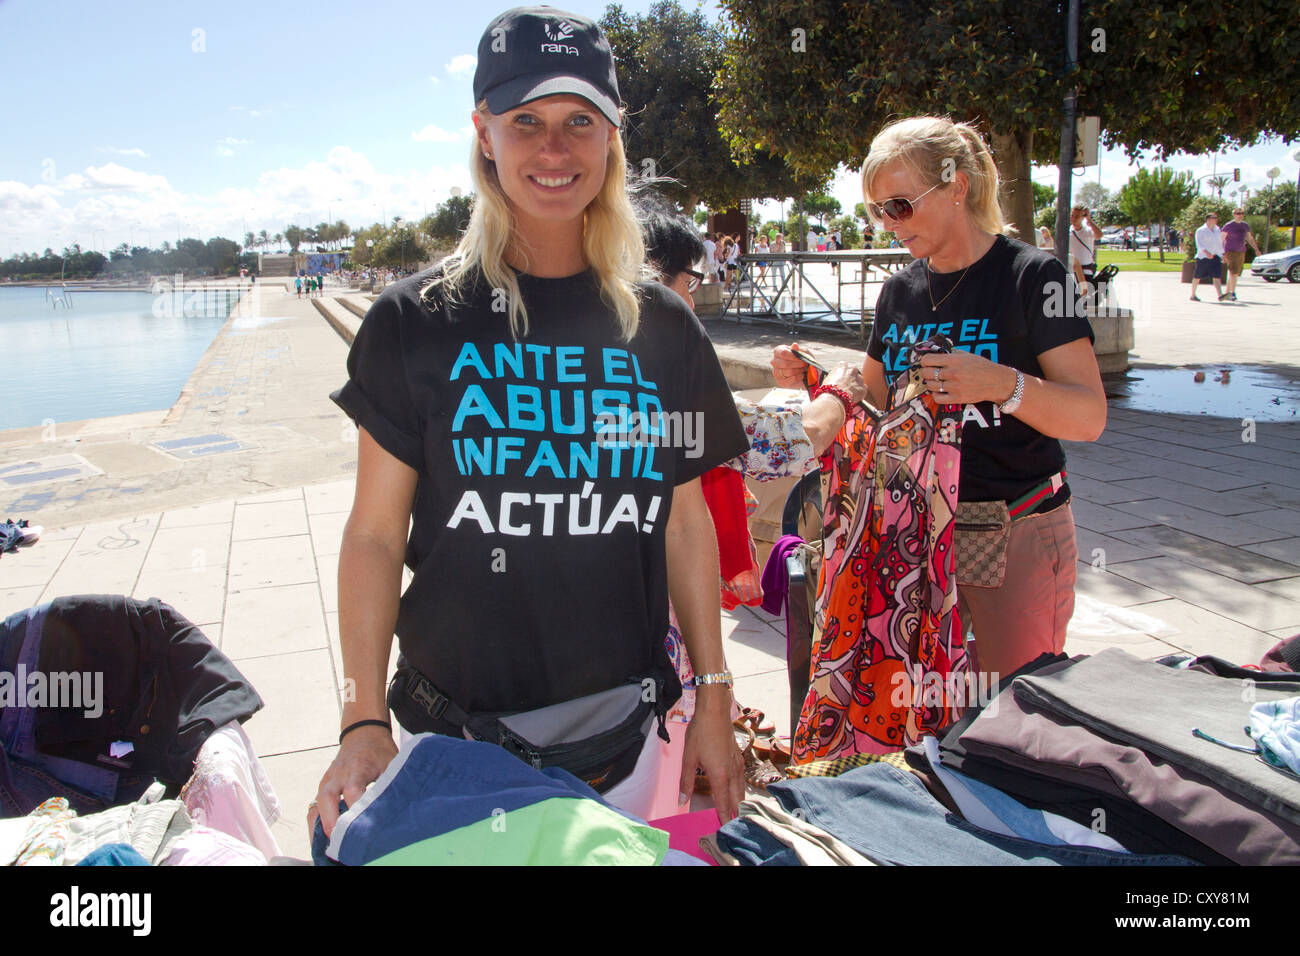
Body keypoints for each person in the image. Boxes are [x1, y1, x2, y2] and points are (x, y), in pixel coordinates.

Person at [316, 5, 749, 836]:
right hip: (454, 743)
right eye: (527, 123)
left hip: (626, 743)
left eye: (579, 121)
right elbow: (374, 534)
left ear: (613, 137)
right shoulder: (414, 323)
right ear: (485, 135)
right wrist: (362, 719)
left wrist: (717, 698)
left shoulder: (662, 327)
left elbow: (685, 523)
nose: (554, 150)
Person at [771, 115, 1105, 683]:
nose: (886, 224)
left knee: (1016, 713)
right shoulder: (900, 290)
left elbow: (1089, 415)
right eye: (876, 210)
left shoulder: (1034, 276)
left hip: (1014, 528)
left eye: (899, 205)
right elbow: (874, 402)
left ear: (957, 186)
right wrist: (815, 379)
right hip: (916, 537)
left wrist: (1003, 385)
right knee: (925, 710)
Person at [1221, 208, 1261, 301]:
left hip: (1241, 251)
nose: (1240, 215)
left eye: (1242, 213)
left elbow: (1249, 238)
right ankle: (1232, 293)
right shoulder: (1228, 225)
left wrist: (1256, 249)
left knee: (1234, 273)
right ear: (1234, 214)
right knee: (1233, 272)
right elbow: (1221, 239)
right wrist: (1222, 253)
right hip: (1230, 251)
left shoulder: (1245, 225)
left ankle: (1227, 292)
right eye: (1238, 213)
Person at [1191, 212, 1225, 302]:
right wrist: (1206, 253)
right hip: (1203, 257)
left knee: (1217, 276)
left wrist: (1222, 254)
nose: (1216, 219)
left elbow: (1219, 243)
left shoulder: (1217, 229)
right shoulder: (1201, 230)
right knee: (1197, 276)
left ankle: (1220, 295)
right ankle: (1193, 294)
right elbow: (1199, 244)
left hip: (1215, 256)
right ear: (1208, 219)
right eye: (1214, 218)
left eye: (1216, 218)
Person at [1069, 205, 1102, 295]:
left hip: (1086, 270)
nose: (1074, 218)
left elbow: (1099, 235)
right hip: (1072, 269)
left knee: (1086, 297)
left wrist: (1089, 220)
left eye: (1077, 216)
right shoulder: (1069, 231)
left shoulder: (1088, 231)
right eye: (1072, 215)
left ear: (1082, 218)